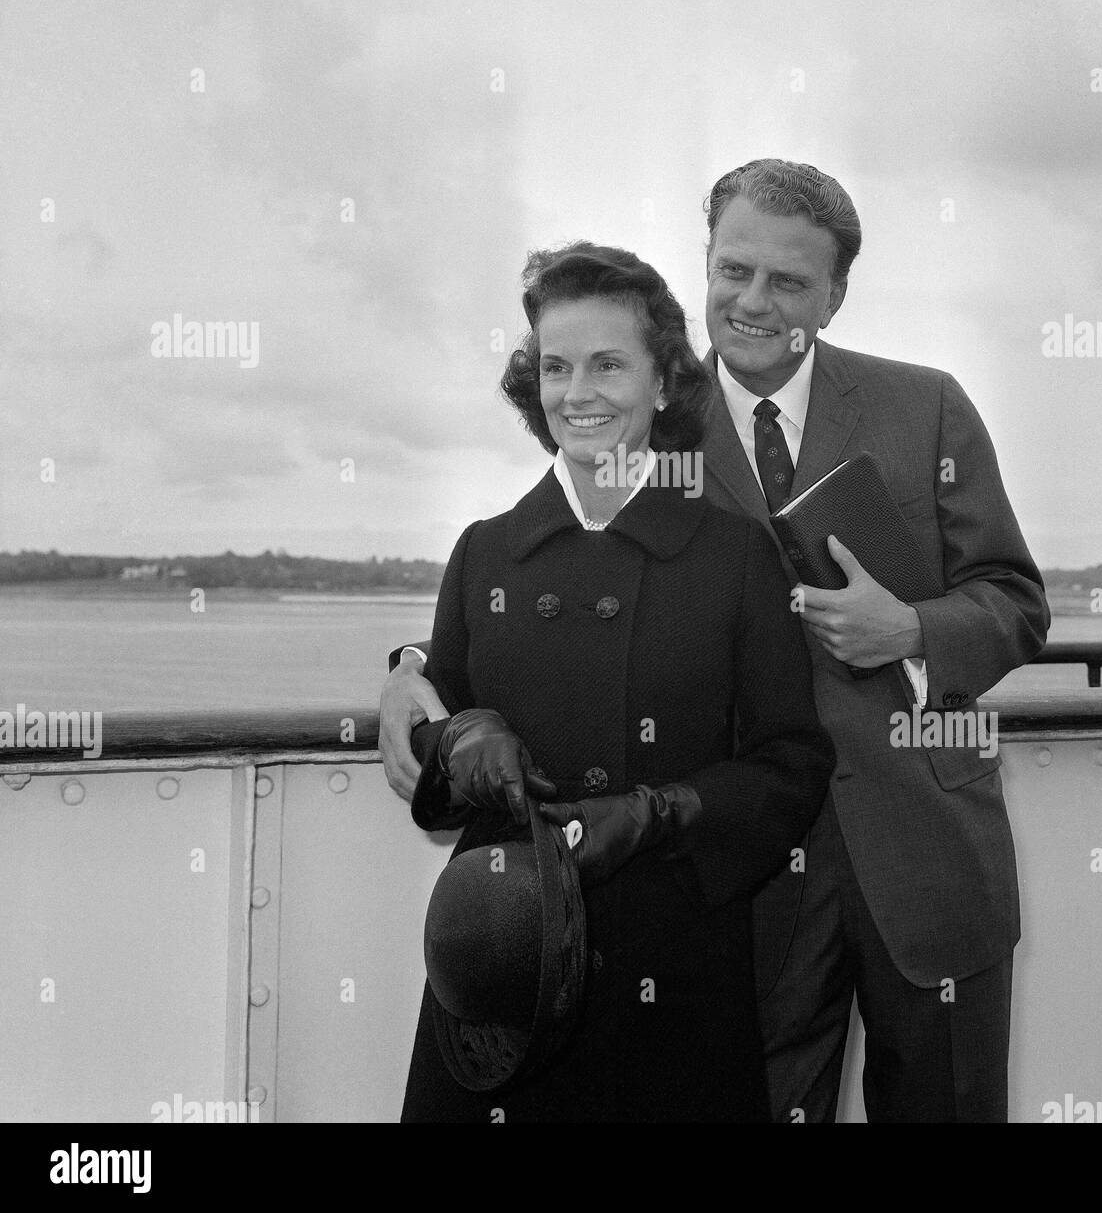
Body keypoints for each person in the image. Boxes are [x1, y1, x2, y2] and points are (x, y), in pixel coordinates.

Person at [384, 160, 1050, 1123]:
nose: (753, 301)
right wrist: (412, 671)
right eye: (734, 270)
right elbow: (539, 571)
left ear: (835, 293)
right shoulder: (644, 414)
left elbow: (1016, 602)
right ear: (704, 263)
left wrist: (907, 628)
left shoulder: (927, 405)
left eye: (788, 281)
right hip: (745, 873)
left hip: (922, 846)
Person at [397, 241, 834, 1123]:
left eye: (607, 365)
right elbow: (429, 759)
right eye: (554, 368)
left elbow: (791, 766)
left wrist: (655, 815)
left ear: (664, 383)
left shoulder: (735, 557)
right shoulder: (485, 550)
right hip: (501, 975)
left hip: (672, 975)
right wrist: (454, 742)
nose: (577, 393)